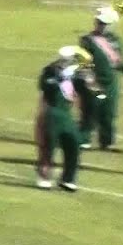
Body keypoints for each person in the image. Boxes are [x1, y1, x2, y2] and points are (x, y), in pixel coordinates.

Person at [79, 6, 123, 150]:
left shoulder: (116, 41)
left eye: (104, 23)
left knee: (108, 113)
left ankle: (106, 142)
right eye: (99, 22)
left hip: (111, 83)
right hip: (94, 81)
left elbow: (118, 62)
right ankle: (83, 140)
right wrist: (88, 81)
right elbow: (82, 63)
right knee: (90, 111)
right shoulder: (87, 41)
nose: (101, 25)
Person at [36, 46, 87, 191]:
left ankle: (68, 179)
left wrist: (84, 77)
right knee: (49, 146)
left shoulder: (74, 72)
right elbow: (45, 86)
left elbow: (84, 88)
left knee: (74, 144)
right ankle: (44, 177)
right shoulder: (50, 70)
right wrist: (61, 77)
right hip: (52, 112)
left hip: (66, 114)